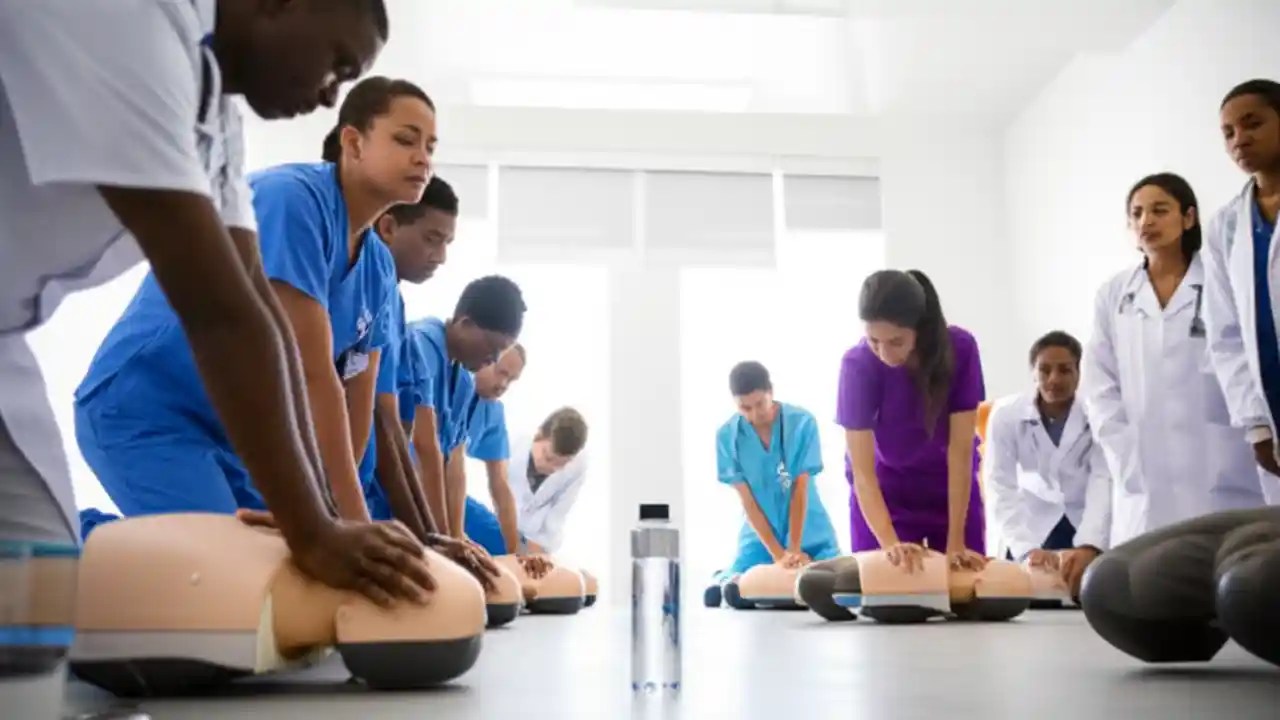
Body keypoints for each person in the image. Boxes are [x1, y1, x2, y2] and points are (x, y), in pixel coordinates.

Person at [0, 0, 432, 606]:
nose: (332, 97)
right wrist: (319, 528)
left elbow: (263, 318)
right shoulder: (134, 22)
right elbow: (221, 313)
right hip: (150, 407)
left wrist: (327, 519)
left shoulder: (219, 116)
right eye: (336, 64)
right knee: (216, 587)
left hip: (176, 406)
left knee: (33, 617)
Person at [1082, 172, 1268, 554]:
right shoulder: (1115, 294)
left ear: (1188, 218)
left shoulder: (1222, 279)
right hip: (1143, 461)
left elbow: (1243, 355)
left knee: (1227, 567)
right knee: (1149, 576)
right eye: (1136, 213)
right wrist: (1122, 444)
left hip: (1220, 454)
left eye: (1159, 210)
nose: (1146, 221)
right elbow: (1099, 380)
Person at [836, 269, 987, 572]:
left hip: (950, 490)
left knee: (965, 589)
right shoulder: (857, 364)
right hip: (884, 492)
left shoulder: (960, 349)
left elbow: (960, 451)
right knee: (889, 591)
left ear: (920, 328)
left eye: (896, 341)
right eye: (874, 340)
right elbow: (863, 472)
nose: (884, 353)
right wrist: (890, 543)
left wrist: (955, 539)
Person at [359, 175, 458, 536]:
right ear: (387, 227)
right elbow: (383, 419)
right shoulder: (366, 284)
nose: (441, 257)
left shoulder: (395, 312)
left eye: (447, 243)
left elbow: (401, 432)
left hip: (370, 492)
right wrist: (430, 537)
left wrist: (434, 536)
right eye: (432, 240)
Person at [399, 276, 527, 544]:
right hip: (392, 498)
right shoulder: (421, 343)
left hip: (425, 504)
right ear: (465, 324)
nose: (492, 360)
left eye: (499, 354)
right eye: (492, 349)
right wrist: (440, 536)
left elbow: (454, 466)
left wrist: (456, 537)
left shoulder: (464, 383)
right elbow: (425, 449)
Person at [705, 361, 841, 608]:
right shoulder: (727, 436)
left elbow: (800, 489)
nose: (754, 415)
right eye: (744, 408)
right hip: (759, 535)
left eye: (760, 404)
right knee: (744, 579)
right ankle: (726, 583)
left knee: (837, 584)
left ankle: (766, 590)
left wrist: (794, 549)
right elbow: (747, 501)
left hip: (809, 530)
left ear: (771, 392)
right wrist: (780, 556)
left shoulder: (802, 423)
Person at [983, 331, 1110, 591]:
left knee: (1086, 593)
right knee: (1025, 596)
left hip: (1084, 521)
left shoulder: (1099, 414)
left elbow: (1104, 481)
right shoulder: (1006, 416)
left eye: (1065, 370)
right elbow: (999, 485)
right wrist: (1026, 548)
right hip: (1030, 524)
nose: (1054, 379)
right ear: (1033, 372)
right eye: (1045, 370)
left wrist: (1089, 544)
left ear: (1079, 372)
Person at [1204, 78, 1280, 505]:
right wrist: (1256, 424)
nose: (1239, 140)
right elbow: (1226, 333)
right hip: (1272, 407)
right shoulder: (1227, 226)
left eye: (1253, 124)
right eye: (1229, 133)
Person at [459, 345, 527, 555]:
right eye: (502, 373)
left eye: (511, 380)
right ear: (484, 359)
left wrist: (514, 555)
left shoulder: (492, 411)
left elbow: (500, 484)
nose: (503, 385)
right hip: (410, 485)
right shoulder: (450, 388)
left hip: (450, 494)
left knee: (505, 542)